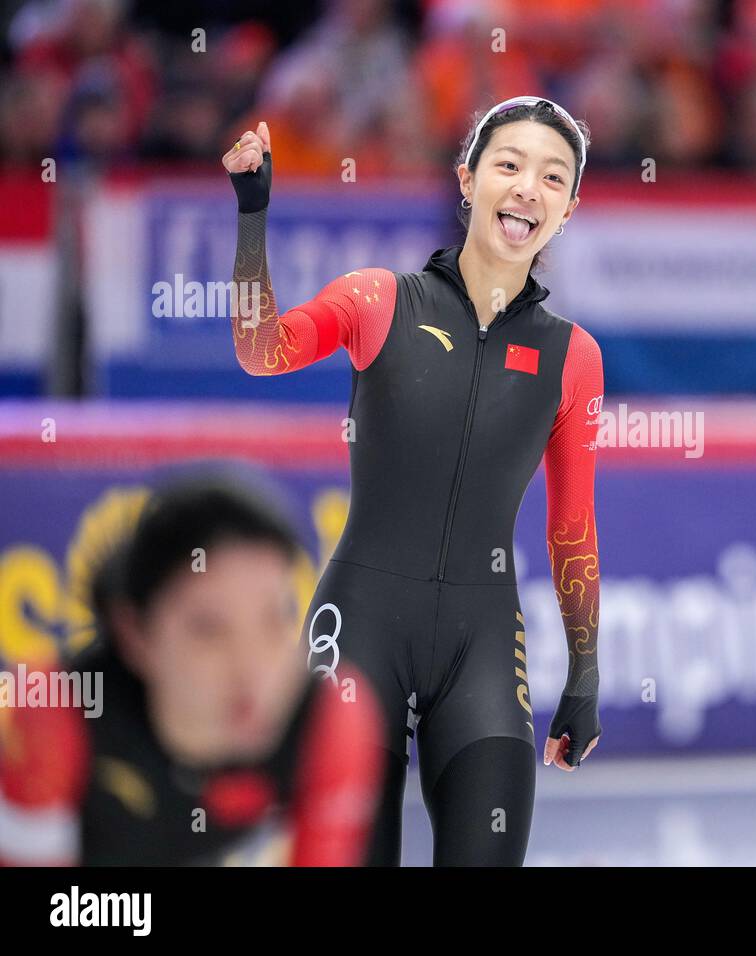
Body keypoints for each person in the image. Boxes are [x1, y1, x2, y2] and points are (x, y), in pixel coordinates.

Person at [222, 96, 604, 866]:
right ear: (468, 181)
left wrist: (586, 674)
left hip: (485, 648)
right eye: (509, 164)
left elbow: (572, 526)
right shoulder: (378, 300)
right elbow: (262, 350)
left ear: (567, 208)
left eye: (553, 177)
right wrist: (253, 215)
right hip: (361, 626)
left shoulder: (574, 357)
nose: (529, 187)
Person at [0, 475, 385, 866]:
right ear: (135, 635)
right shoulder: (53, 710)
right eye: (209, 630)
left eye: (276, 618)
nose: (253, 671)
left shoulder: (332, 716)